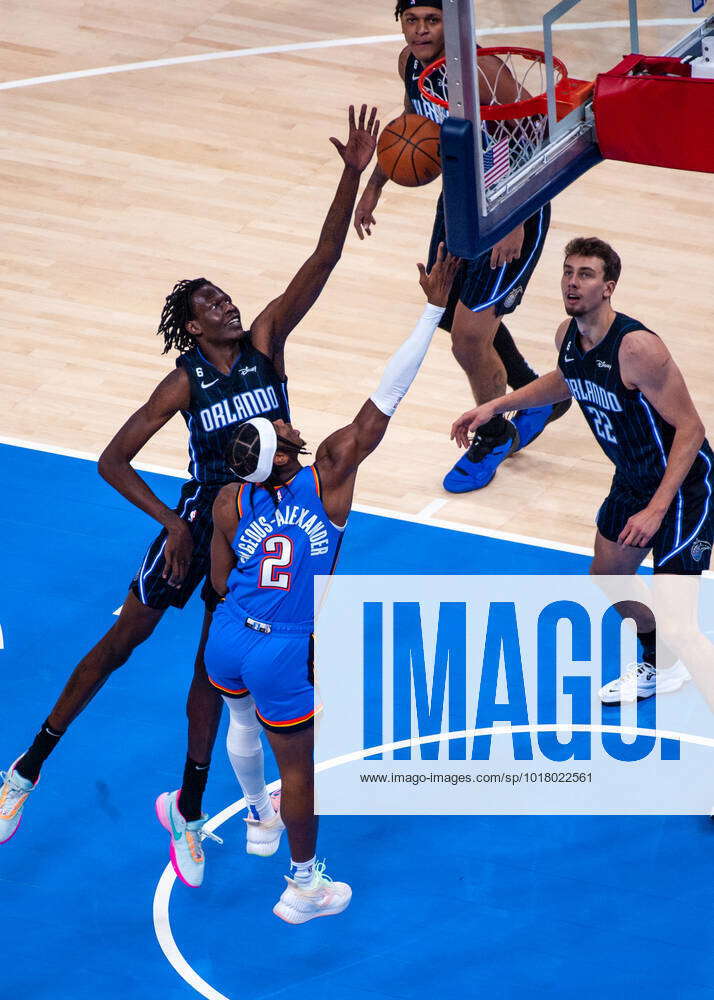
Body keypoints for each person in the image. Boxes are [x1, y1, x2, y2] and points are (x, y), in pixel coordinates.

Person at [0, 105, 380, 848]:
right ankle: (23, 772)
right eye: (212, 302)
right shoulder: (184, 383)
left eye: (226, 295)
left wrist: (351, 174)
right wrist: (172, 523)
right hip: (200, 520)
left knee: (215, 672)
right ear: (194, 325)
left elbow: (324, 258)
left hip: (256, 521)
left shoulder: (268, 340)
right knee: (122, 643)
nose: (228, 303)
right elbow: (112, 460)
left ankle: (191, 810)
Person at [156, 244, 461, 920]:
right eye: (281, 425)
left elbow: (219, 577)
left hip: (230, 634)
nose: (287, 419)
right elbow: (387, 396)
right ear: (282, 448)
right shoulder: (327, 478)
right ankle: (304, 884)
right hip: (285, 645)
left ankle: (257, 818)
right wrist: (431, 312)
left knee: (238, 717)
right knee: (300, 768)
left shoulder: (231, 498)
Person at [451, 236, 714, 702]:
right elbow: (567, 379)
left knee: (680, 623)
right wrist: (497, 406)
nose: (573, 283)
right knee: (608, 572)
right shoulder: (567, 336)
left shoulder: (637, 349)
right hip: (633, 477)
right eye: (568, 272)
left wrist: (655, 510)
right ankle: (662, 666)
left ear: (608, 287)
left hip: (682, 486)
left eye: (586, 274)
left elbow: (691, 430)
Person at [353, 0, 570, 493]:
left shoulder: (483, 72)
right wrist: (374, 186)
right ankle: (541, 396)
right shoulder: (411, 65)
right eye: (412, 20)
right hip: (460, 203)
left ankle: (493, 434)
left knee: (469, 338)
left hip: (513, 206)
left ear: (450, 24)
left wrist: (512, 213)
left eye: (432, 20)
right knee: (449, 310)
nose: (422, 30)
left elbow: (536, 135)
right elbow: (413, 127)